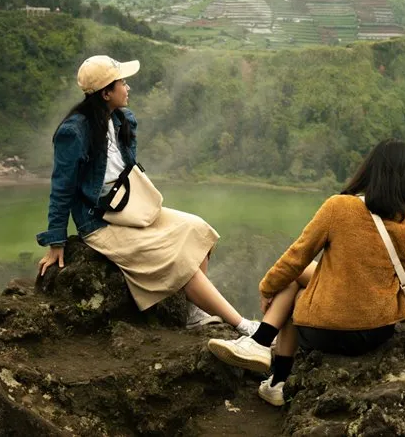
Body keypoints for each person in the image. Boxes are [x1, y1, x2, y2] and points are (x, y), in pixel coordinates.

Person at [207, 139, 405, 407]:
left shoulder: (338, 207)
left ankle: (269, 362)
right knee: (300, 280)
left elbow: (296, 256)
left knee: (293, 290)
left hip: (322, 331)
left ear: (370, 170)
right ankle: (267, 364)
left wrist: (267, 287)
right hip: (375, 333)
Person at [36, 55, 260, 333]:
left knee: (199, 231)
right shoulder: (74, 132)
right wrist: (56, 241)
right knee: (179, 262)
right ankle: (243, 326)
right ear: (106, 93)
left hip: (131, 209)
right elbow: (61, 188)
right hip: (101, 222)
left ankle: (194, 311)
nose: (128, 87)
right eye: (122, 83)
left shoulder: (120, 119)